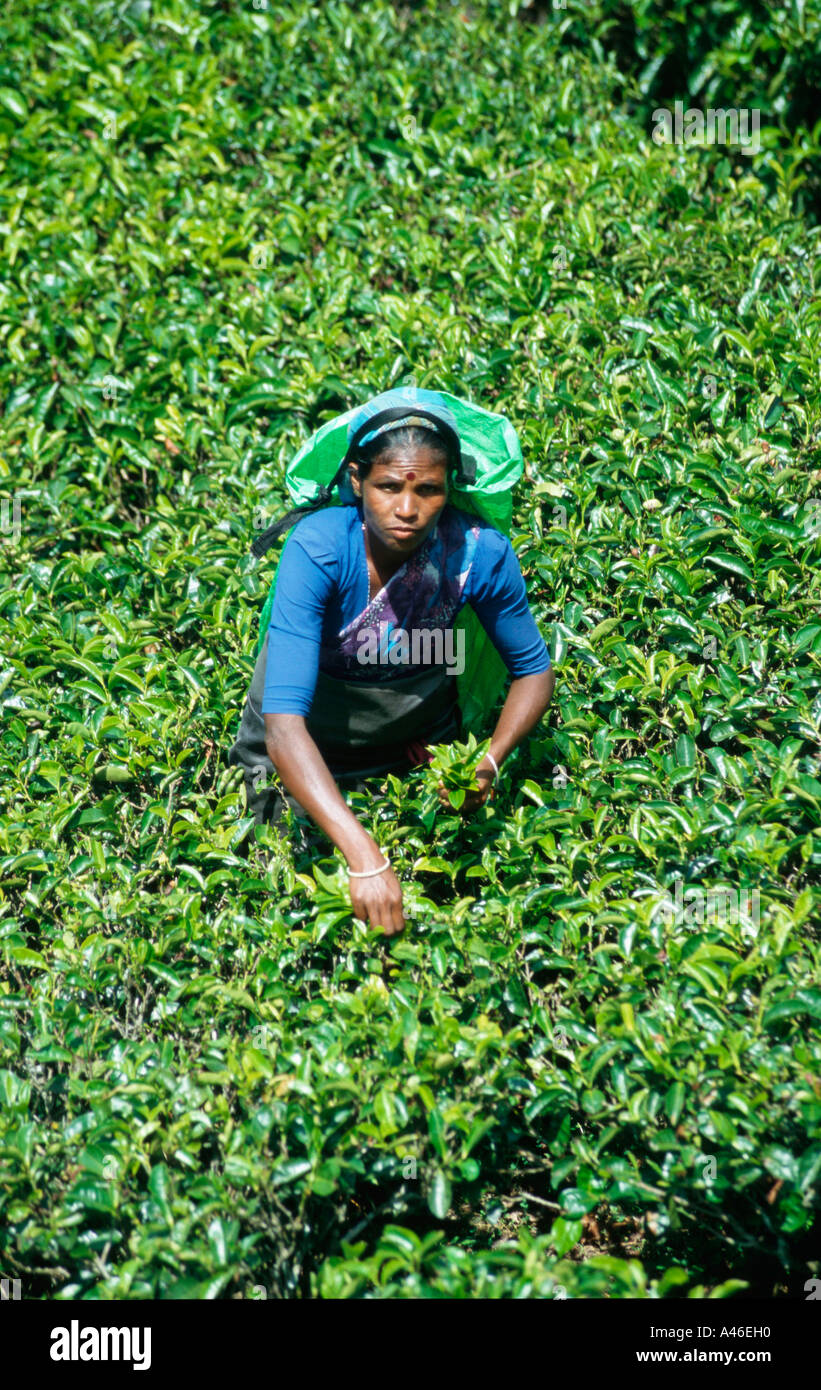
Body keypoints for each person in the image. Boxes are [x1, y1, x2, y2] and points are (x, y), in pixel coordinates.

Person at [228, 390, 555, 936]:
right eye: (388, 487)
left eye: (428, 490)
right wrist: (366, 856)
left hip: (414, 758)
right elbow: (284, 728)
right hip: (301, 760)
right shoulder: (320, 550)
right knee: (287, 894)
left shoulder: (478, 554)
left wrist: (488, 762)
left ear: (449, 488)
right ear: (357, 481)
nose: (407, 509)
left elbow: (533, 670)